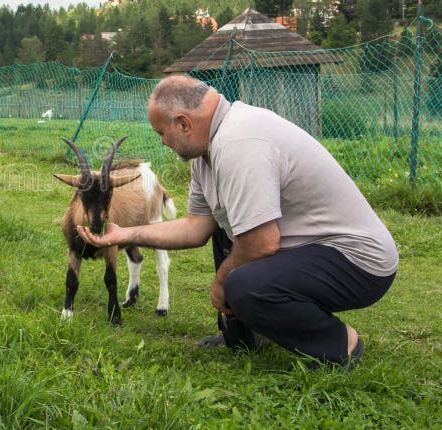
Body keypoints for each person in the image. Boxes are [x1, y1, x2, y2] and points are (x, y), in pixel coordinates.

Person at [77, 74, 398, 368]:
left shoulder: (238, 142)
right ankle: (247, 336)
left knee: (241, 283)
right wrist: (125, 233)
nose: (163, 142)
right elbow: (196, 226)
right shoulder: (208, 154)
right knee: (225, 230)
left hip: (358, 260)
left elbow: (262, 241)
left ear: (184, 124)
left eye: (163, 133)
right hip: (313, 248)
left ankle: (340, 345)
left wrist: (220, 285)